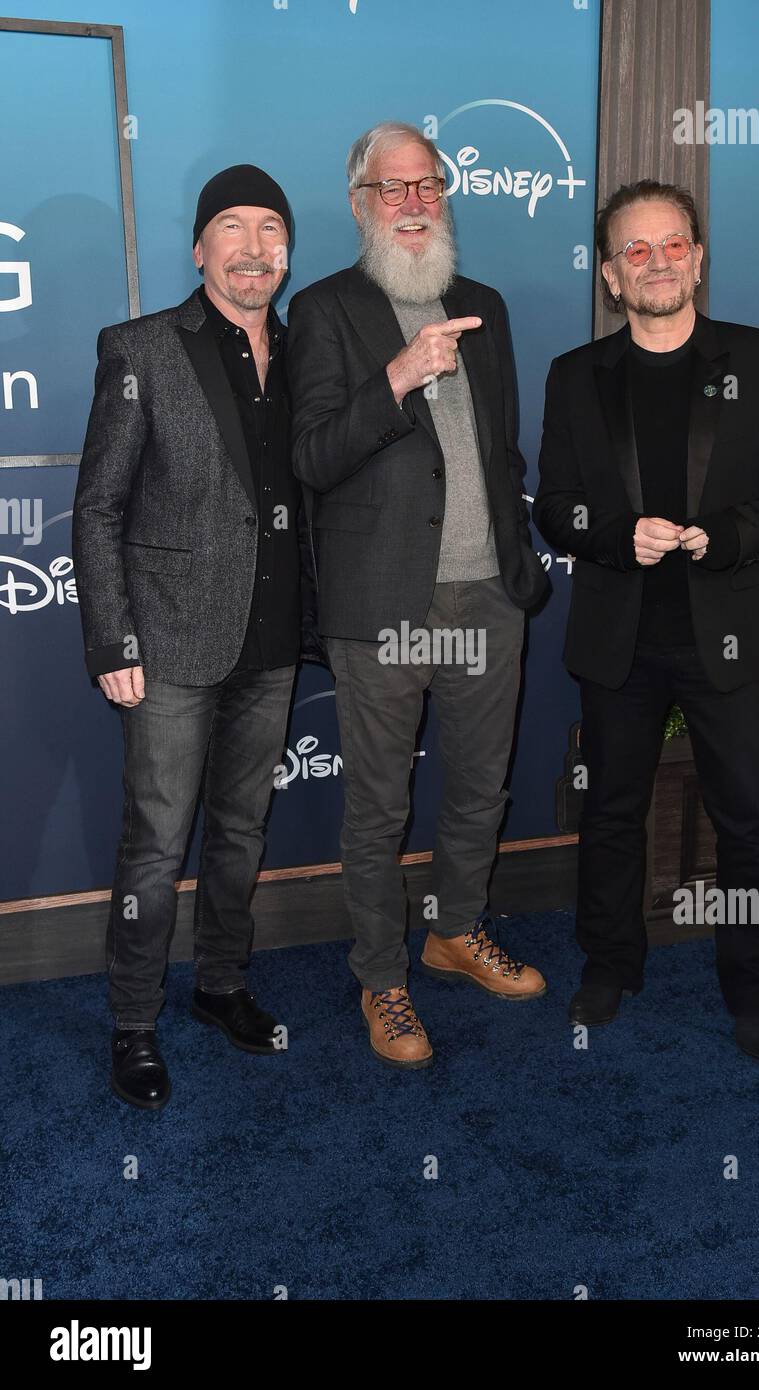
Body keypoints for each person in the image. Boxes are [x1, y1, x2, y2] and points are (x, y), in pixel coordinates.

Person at [533, 179, 759, 1065]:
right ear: (611, 277)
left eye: (672, 245)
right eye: (635, 250)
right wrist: (618, 535)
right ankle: (611, 964)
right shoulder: (576, 376)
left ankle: (754, 987)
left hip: (726, 633)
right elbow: (555, 509)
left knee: (749, 820)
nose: (656, 262)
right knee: (611, 814)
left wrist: (727, 535)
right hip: (618, 636)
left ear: (696, 258)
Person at [287, 122, 550, 1069]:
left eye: (428, 186)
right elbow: (311, 456)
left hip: (487, 594)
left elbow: (504, 447)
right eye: (391, 188)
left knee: (480, 784)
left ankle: (453, 932)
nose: (412, 203)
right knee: (378, 807)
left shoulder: (484, 305)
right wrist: (399, 376)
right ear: (360, 203)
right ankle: (381, 978)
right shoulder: (322, 311)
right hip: (383, 603)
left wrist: (519, 567)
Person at [73, 165, 314, 1109]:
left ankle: (221, 985)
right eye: (233, 228)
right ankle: (134, 1021)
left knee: (242, 828)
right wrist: (111, 642)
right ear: (199, 248)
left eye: (270, 230)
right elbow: (97, 509)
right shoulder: (141, 348)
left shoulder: (305, 356)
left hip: (272, 635)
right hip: (169, 641)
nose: (254, 247)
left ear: (286, 251)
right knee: (155, 841)